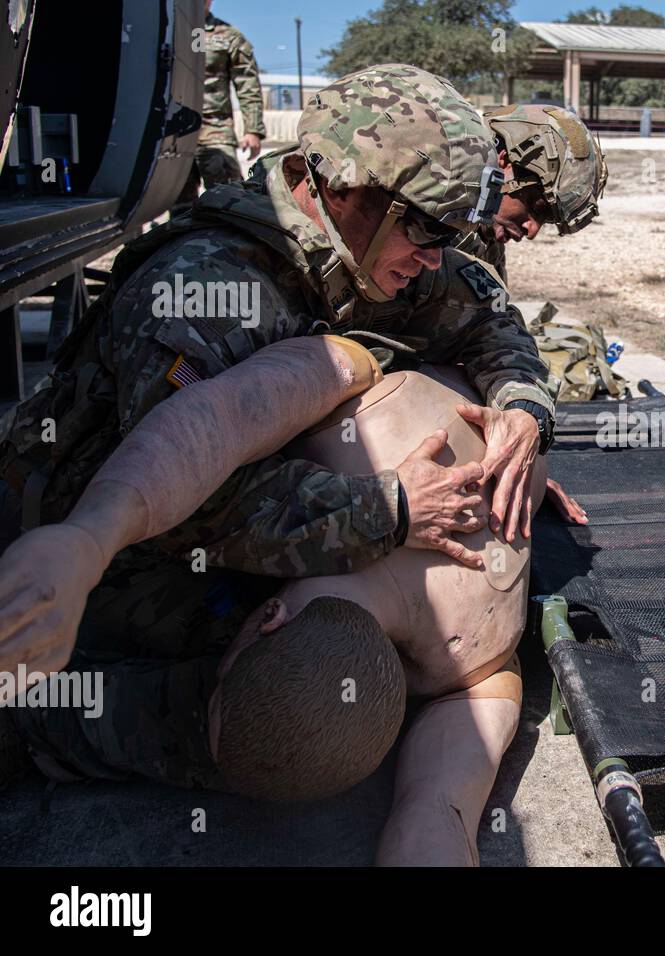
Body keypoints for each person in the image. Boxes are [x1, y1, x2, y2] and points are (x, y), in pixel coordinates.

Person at [0, 66, 552, 824]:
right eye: (428, 227)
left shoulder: (376, 246)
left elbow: (491, 318)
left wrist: (521, 408)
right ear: (341, 189)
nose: (435, 256)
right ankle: (39, 722)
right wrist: (387, 509)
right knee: (305, 706)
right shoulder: (205, 290)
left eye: (453, 234)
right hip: (122, 552)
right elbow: (191, 502)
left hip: (235, 503)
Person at [455, 104, 608, 283]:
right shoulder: (426, 220)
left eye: (546, 220)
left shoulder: (487, 237)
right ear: (503, 163)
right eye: (537, 208)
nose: (532, 231)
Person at [172, 0, 265, 214]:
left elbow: (247, 84)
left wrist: (253, 129)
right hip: (175, 131)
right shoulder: (170, 32)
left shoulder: (229, 36)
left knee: (231, 200)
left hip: (216, 129)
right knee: (180, 206)